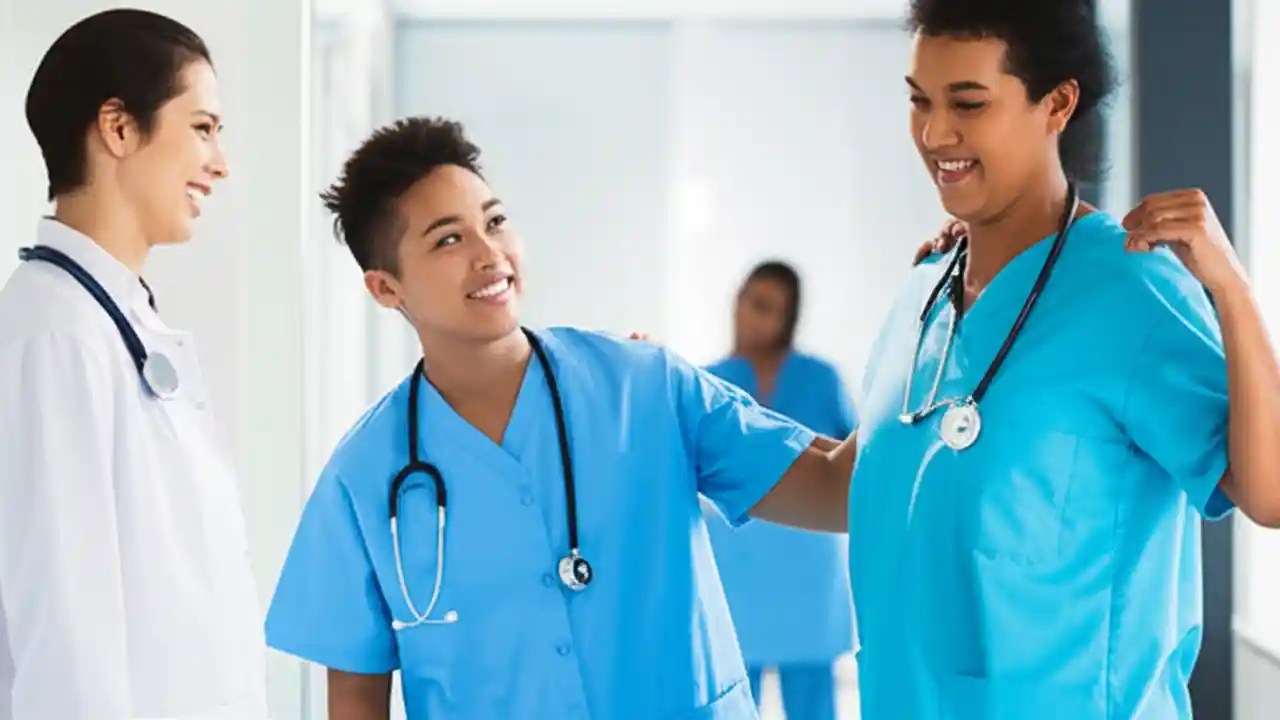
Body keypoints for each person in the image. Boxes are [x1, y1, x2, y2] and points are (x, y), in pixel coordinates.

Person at [263, 117, 855, 719]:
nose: (489, 254)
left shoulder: (643, 387)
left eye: (493, 222)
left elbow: (837, 486)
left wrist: (943, 308)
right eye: (448, 240)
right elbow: (356, 700)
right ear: (386, 288)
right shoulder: (364, 476)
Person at [848, 1, 1280, 718]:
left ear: (1058, 103)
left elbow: (1269, 493)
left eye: (969, 103)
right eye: (919, 100)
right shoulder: (924, 295)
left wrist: (1230, 290)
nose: (934, 133)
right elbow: (862, 474)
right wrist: (669, 408)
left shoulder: (1129, 289)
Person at [0, 10, 267, 719]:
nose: (221, 162)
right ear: (118, 128)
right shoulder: (54, 336)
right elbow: (66, 638)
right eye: (203, 128)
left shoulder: (111, 321)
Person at [703, 261, 855, 720]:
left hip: (808, 574)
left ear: (787, 320)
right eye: (749, 301)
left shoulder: (821, 378)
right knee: (732, 696)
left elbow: (856, 461)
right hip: (736, 573)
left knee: (813, 703)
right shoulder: (707, 380)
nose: (752, 315)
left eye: (768, 308)